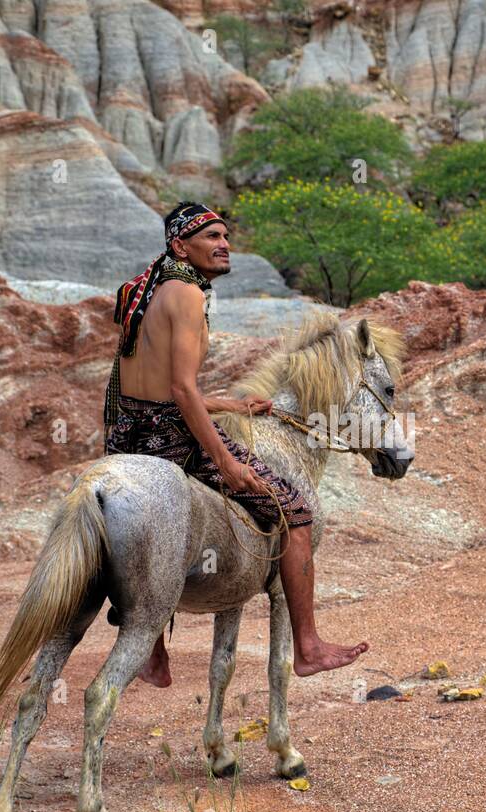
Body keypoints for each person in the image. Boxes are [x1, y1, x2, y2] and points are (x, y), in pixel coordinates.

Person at [103, 201, 368, 687]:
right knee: (296, 511)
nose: (225, 245)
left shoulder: (145, 291)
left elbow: (148, 382)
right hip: (171, 435)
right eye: (212, 237)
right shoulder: (185, 294)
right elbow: (181, 391)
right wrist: (224, 461)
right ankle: (308, 646)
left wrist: (225, 403)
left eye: (226, 237)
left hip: (128, 433)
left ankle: (153, 652)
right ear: (180, 246)